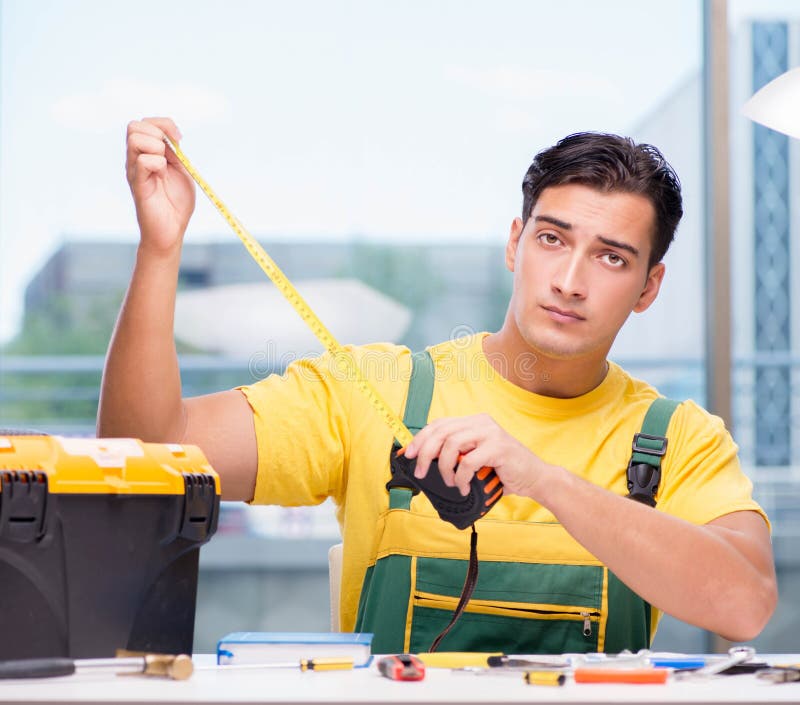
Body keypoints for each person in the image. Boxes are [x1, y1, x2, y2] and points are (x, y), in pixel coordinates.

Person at [99, 118, 777, 653]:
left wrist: (542, 478)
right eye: (551, 239)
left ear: (648, 286)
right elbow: (146, 451)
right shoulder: (382, 391)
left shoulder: (676, 438)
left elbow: (744, 603)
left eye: (610, 256)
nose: (571, 279)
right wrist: (160, 249)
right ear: (515, 244)